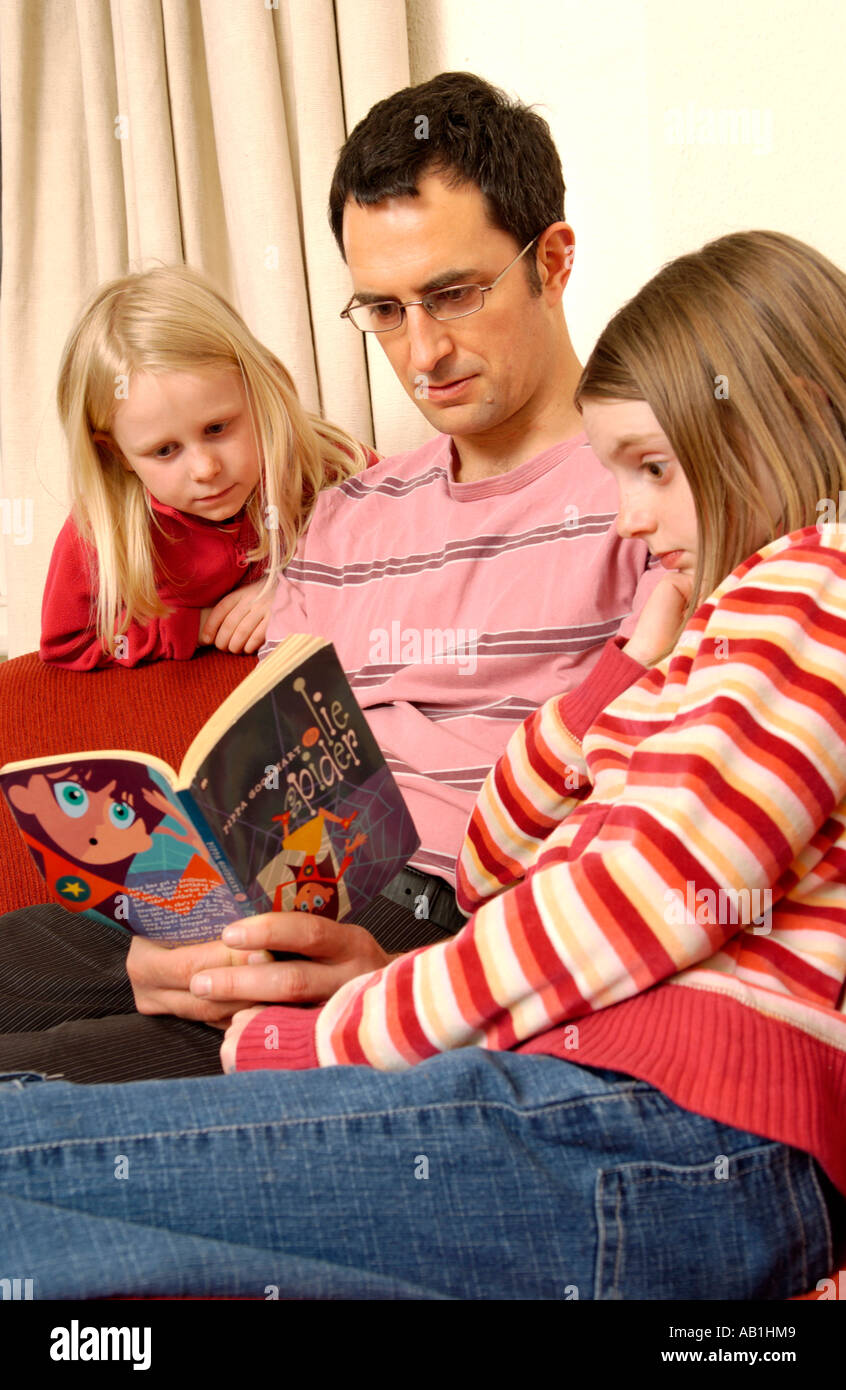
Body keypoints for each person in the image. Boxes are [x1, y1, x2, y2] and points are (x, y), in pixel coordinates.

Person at [2, 228, 845, 1301]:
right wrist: (636, 652)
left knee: (38, 1157)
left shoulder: (809, 582)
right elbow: (500, 854)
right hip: (621, 1116)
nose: (631, 514)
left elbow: (633, 904)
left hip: (670, 1131)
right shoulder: (718, 635)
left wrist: (331, 1036)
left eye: (653, 469)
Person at [0, 73, 655, 1085]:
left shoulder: (650, 495)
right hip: (280, 896)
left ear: (553, 261)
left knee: (35, 1083)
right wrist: (161, 948)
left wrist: (407, 969)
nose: (421, 352)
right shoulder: (349, 510)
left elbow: (659, 821)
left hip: (436, 915)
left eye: (453, 293)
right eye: (384, 310)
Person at [39, 264, 370, 669]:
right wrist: (199, 626)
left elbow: (405, 534)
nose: (205, 468)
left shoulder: (321, 462)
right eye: (164, 450)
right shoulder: (102, 531)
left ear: (256, 392)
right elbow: (68, 641)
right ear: (117, 453)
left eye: (217, 428)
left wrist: (296, 587)